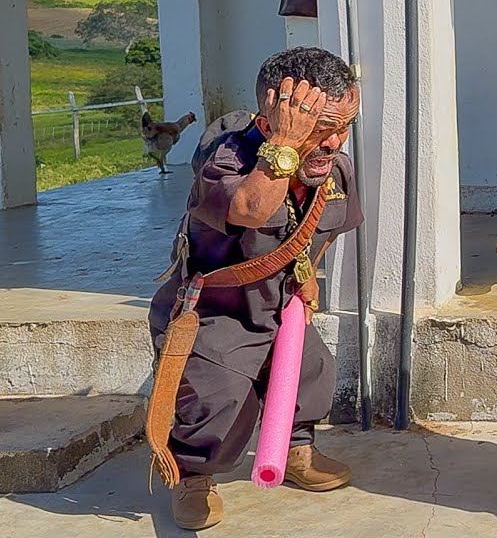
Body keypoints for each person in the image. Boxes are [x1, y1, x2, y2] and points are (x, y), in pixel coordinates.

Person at [147, 46, 364, 531]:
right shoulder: (225, 159)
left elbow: (320, 231)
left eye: (344, 126)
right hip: (214, 310)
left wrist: (306, 280)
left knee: (311, 371)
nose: (334, 143)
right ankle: (193, 475)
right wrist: (287, 144)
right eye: (321, 128)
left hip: (276, 302)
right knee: (218, 401)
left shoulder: (336, 167)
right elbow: (249, 209)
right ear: (273, 121)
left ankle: (297, 449)